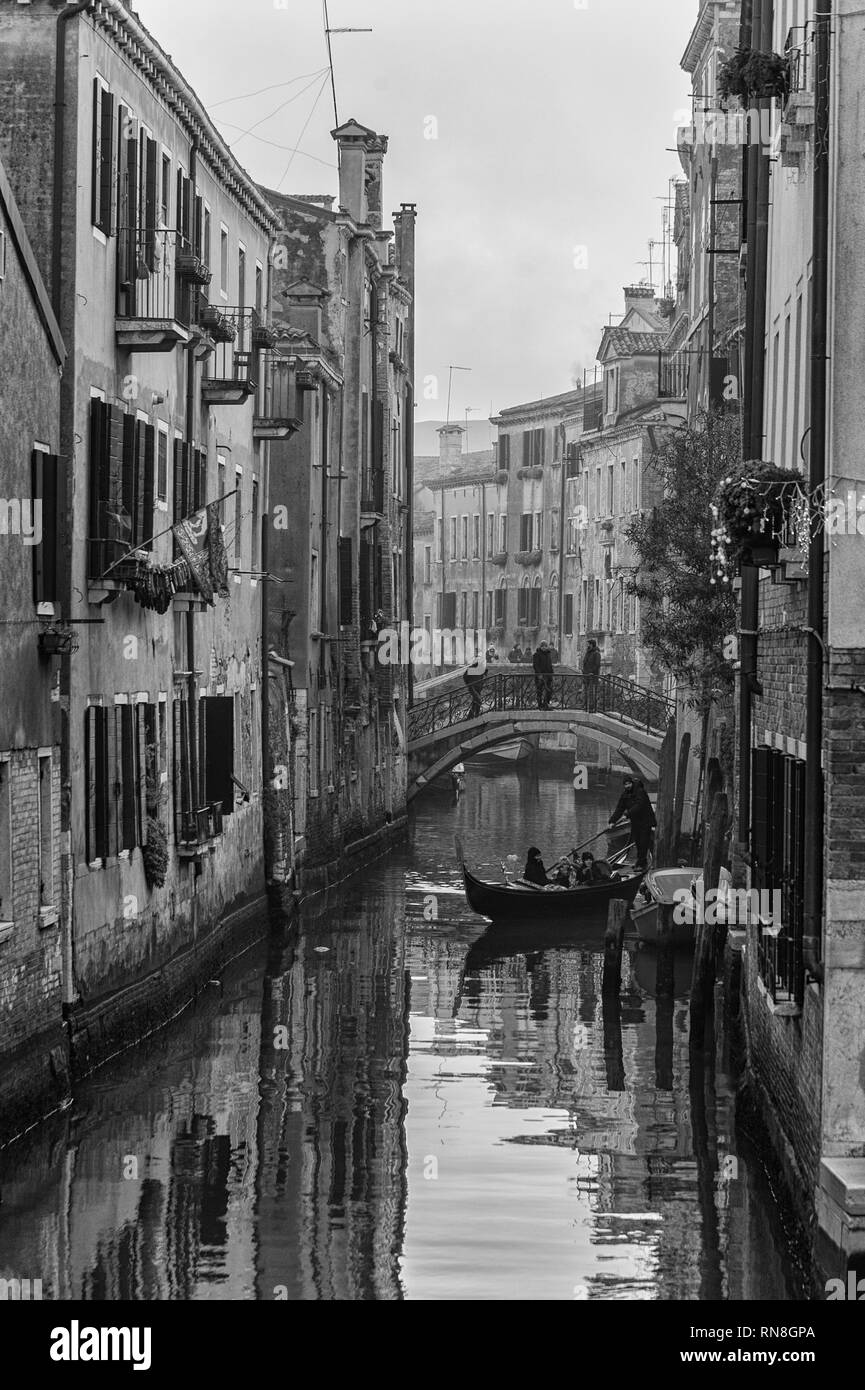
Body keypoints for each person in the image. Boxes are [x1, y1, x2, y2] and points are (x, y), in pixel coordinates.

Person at [608, 776, 656, 872]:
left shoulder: (640, 792)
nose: (627, 786)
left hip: (645, 821)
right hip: (636, 822)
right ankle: (640, 862)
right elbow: (619, 808)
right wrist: (612, 821)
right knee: (638, 842)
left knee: (643, 842)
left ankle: (642, 864)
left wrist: (627, 814)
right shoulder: (625, 795)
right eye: (625, 784)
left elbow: (639, 805)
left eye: (629, 784)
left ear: (632, 783)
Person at [533, 641, 555, 709]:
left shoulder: (548, 654)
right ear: (540, 647)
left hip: (548, 675)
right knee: (539, 691)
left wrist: (552, 673)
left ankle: (546, 704)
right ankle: (540, 705)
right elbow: (536, 665)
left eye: (545, 646)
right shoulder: (537, 654)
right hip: (540, 676)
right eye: (543, 646)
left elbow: (550, 665)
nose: (544, 647)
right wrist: (539, 674)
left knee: (549, 690)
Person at [582, 638, 601, 712]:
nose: (587, 645)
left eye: (589, 644)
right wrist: (584, 671)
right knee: (585, 692)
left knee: (591, 692)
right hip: (586, 676)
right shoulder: (588, 652)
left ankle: (592, 707)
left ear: (592, 645)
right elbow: (585, 663)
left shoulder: (596, 653)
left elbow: (597, 665)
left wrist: (591, 672)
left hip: (592, 677)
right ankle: (585, 706)